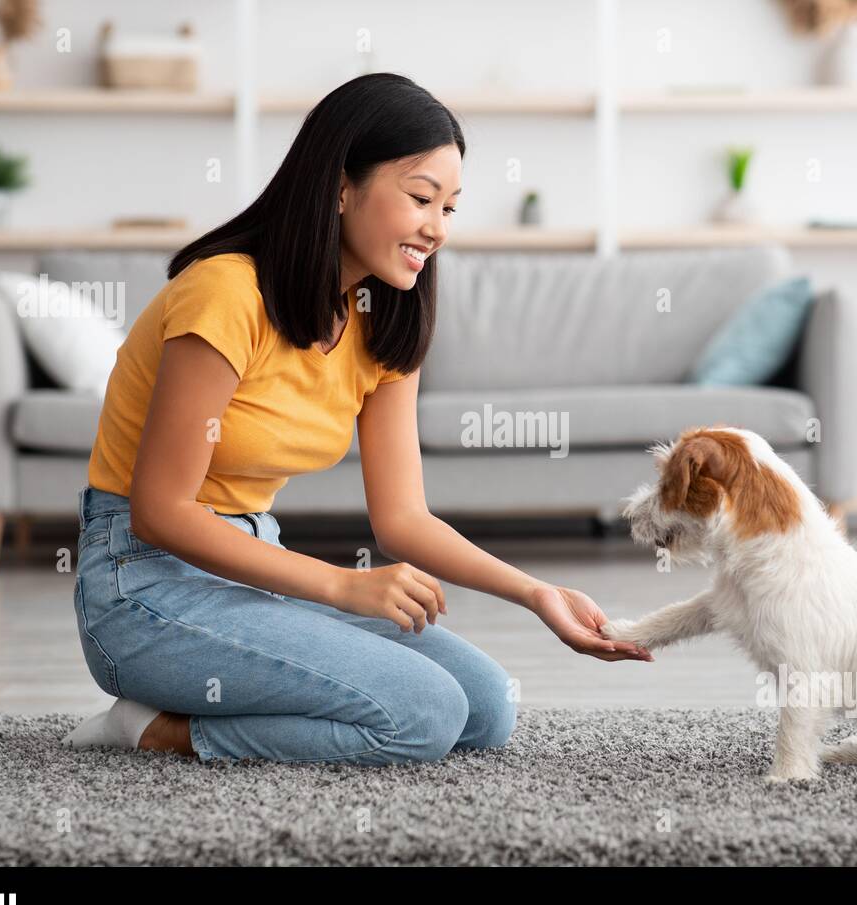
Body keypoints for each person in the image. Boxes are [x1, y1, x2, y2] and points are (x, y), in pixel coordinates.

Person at [64, 73, 652, 766]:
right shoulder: (224, 293)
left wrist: (537, 593)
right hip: (142, 584)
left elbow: (402, 519)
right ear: (342, 187)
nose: (437, 227)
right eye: (420, 197)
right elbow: (160, 512)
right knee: (423, 715)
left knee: (487, 706)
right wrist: (345, 585)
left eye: (451, 207)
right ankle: (152, 727)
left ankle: (221, 695)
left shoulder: (386, 319)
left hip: (256, 569)